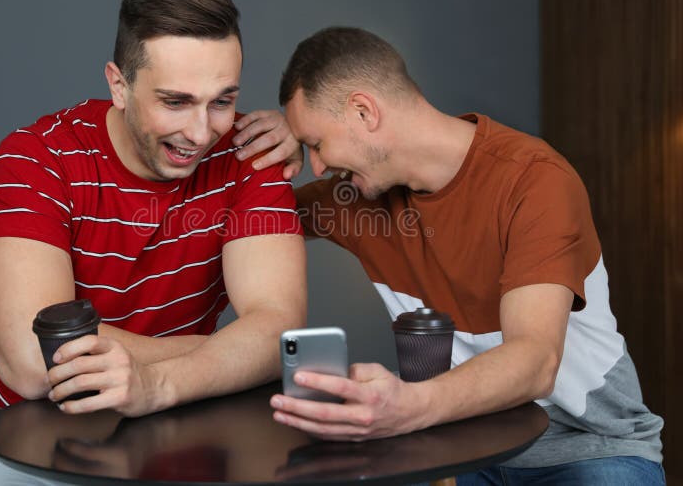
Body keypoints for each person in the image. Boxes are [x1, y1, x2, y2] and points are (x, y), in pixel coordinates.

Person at [233, 26, 665, 484]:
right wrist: (272, 149)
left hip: (589, 451)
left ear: (364, 111)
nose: (315, 166)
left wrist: (404, 406)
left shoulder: (535, 181)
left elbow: (535, 361)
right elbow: (240, 220)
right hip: (465, 450)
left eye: (316, 145)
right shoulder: (356, 196)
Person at [0, 0, 306, 484]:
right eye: (175, 101)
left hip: (185, 426)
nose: (202, 131)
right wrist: (228, 352)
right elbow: (32, 361)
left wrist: (157, 382)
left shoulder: (253, 157)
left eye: (223, 101)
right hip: (33, 439)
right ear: (119, 85)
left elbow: (283, 336)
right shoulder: (37, 156)